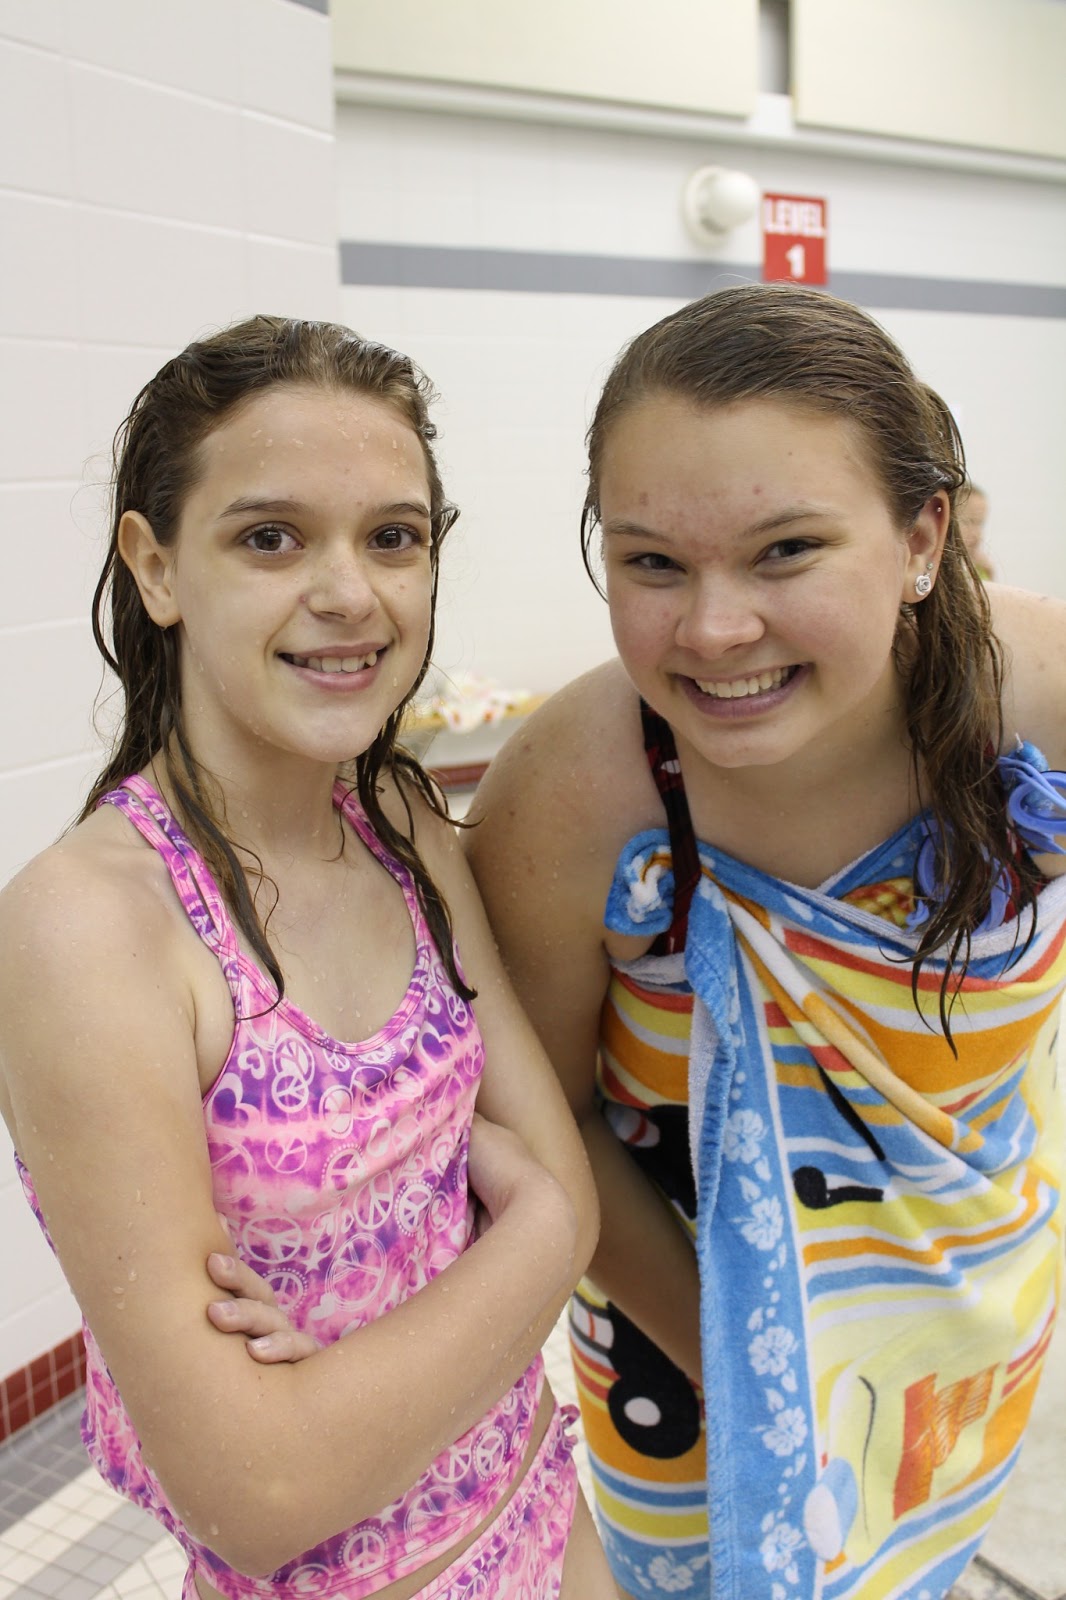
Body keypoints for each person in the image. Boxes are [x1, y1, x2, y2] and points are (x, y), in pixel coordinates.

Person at [464, 285, 1066, 1600]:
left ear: (919, 538)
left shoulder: (1035, 697)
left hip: (964, 1330)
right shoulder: (579, 796)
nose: (713, 629)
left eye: (785, 550)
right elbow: (536, 1121)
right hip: (688, 1357)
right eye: (650, 563)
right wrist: (759, 1372)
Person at [0, 316, 616, 1600]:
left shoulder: (401, 835)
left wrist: (352, 1383)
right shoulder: (93, 929)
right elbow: (259, 1494)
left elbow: (574, 1187)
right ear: (156, 566)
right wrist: (537, 1226)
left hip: (548, 1527)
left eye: (392, 536)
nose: (350, 592)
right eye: (270, 536)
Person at [957, 481, 995, 579]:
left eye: (980, 524)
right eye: (968, 522)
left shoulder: (979, 567)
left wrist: (990, 574)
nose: (977, 534)